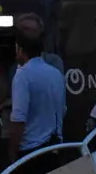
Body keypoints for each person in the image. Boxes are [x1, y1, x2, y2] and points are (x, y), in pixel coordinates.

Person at [9, 18, 69, 157]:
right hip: (54, 151)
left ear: (19, 49)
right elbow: (63, 110)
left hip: (31, 154)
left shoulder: (22, 76)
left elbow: (18, 120)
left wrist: (12, 156)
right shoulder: (56, 74)